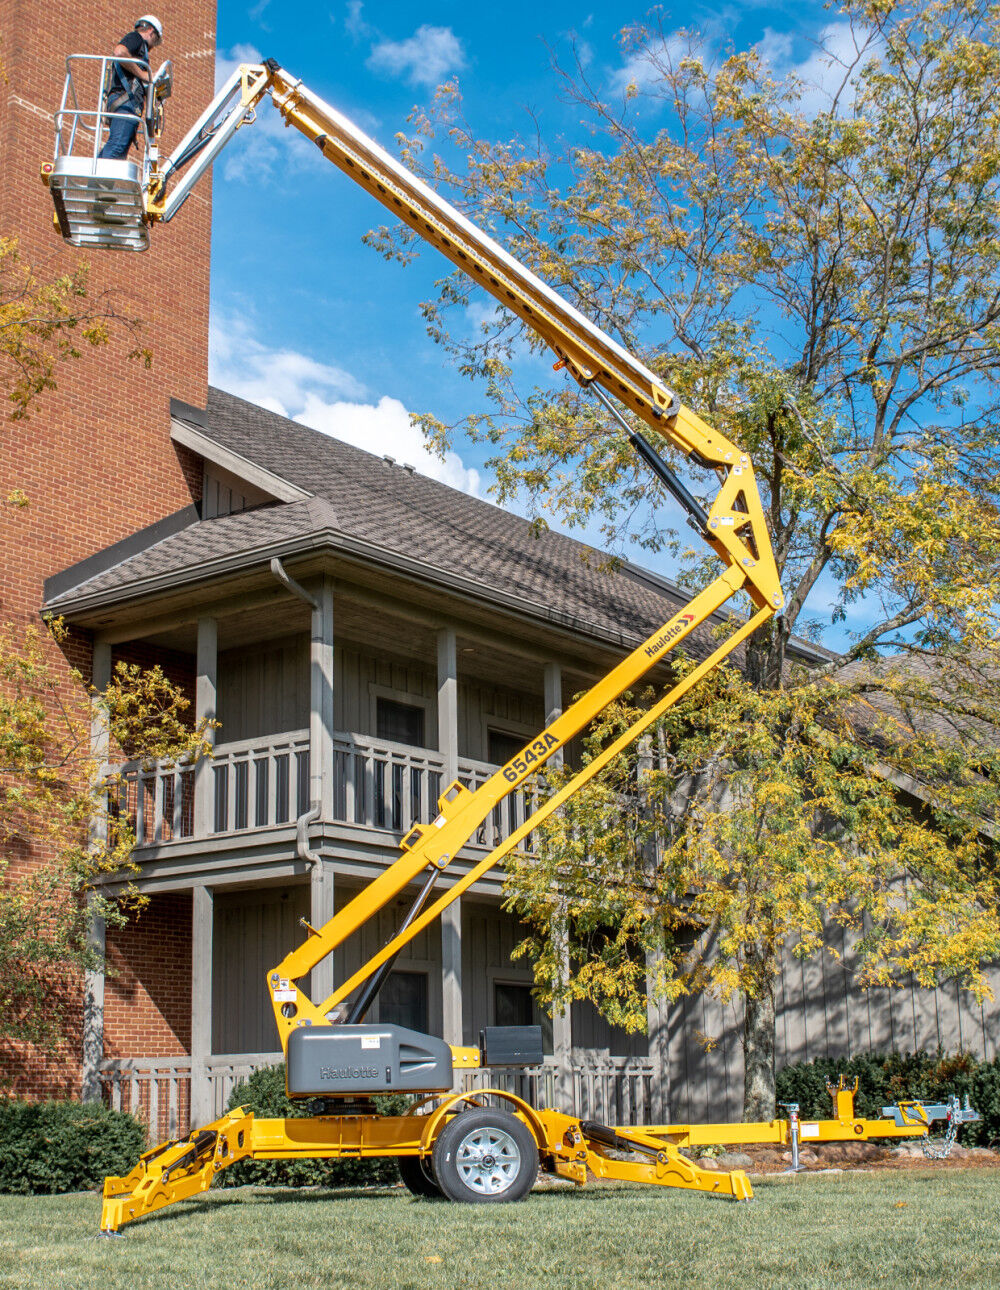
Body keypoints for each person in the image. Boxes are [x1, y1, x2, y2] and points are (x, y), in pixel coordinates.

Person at [97, 15, 163, 161]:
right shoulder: (136, 38)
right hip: (125, 102)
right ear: (151, 31)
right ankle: (99, 174)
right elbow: (119, 52)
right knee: (117, 147)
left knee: (118, 151)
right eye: (155, 41)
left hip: (126, 102)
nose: (152, 47)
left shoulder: (139, 49)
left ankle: (99, 170)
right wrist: (143, 74)